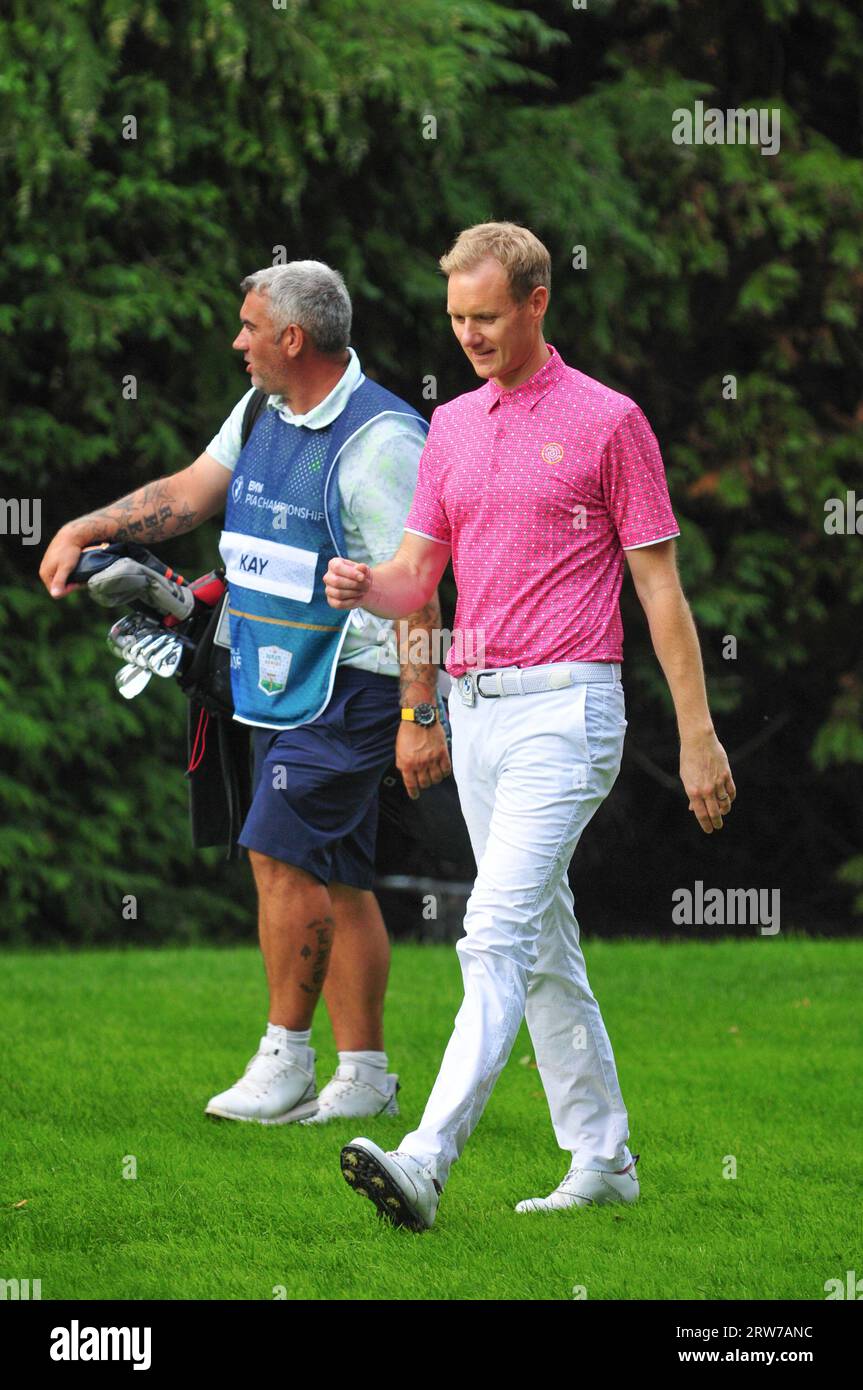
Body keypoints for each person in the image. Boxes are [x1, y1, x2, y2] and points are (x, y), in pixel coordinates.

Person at [324, 222, 736, 1229]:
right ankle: (601, 1158)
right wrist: (366, 585)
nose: (468, 333)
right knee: (544, 943)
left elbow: (659, 590)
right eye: (456, 317)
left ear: (536, 301)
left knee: (493, 930)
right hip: (474, 714)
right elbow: (418, 579)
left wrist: (697, 735)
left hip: (569, 710)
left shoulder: (610, 422)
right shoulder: (453, 426)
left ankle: (424, 1157)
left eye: (486, 315)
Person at [40, 260, 452, 1126]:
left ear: (291, 339)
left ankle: (285, 1061)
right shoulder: (266, 407)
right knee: (336, 872)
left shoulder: (382, 441)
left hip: (356, 680)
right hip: (272, 674)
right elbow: (194, 493)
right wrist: (90, 527)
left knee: (277, 849)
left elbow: (420, 586)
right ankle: (367, 1075)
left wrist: (421, 713)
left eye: (249, 327)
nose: (237, 341)